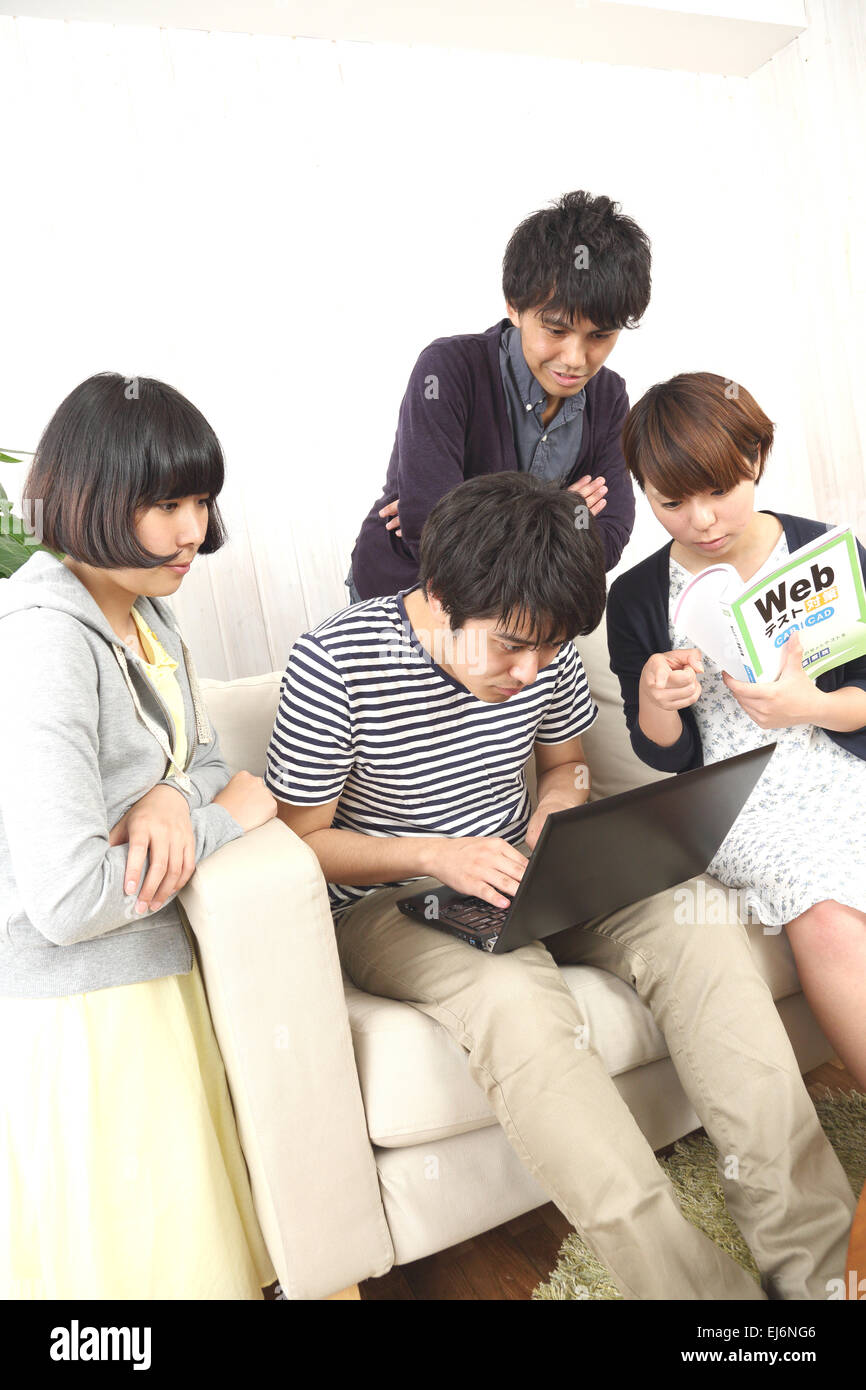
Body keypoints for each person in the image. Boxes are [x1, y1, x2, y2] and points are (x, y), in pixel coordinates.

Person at [267, 471, 854, 1300]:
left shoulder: (543, 647)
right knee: (517, 1006)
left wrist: (555, 809)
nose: (531, 669)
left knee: (700, 933)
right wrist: (439, 854)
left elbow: (567, 766)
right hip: (396, 901)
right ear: (438, 594)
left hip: (538, 865)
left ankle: (821, 1267)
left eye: (550, 650)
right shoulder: (335, 662)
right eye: (509, 648)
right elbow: (301, 841)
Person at [0, 373, 278, 1299]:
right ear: (89, 496)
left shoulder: (150, 611)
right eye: (165, 503)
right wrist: (219, 816)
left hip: (158, 976)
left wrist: (168, 801)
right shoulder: (44, 641)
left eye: (200, 500)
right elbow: (69, 898)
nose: (193, 530)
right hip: (92, 1012)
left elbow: (199, 756)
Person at [606, 371, 866, 1090]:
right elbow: (659, 750)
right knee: (821, 905)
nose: (703, 521)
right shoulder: (633, 599)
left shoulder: (824, 554)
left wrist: (808, 705)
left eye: (719, 490)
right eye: (672, 502)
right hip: (742, 803)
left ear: (755, 458)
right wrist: (659, 696)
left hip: (843, 764)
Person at [346, 190, 651, 601]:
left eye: (600, 336)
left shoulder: (610, 395)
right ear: (514, 306)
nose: (576, 359)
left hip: (524, 615)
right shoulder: (447, 370)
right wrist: (561, 512)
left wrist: (478, 520)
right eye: (556, 331)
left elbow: (610, 536)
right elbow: (430, 529)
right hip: (409, 596)